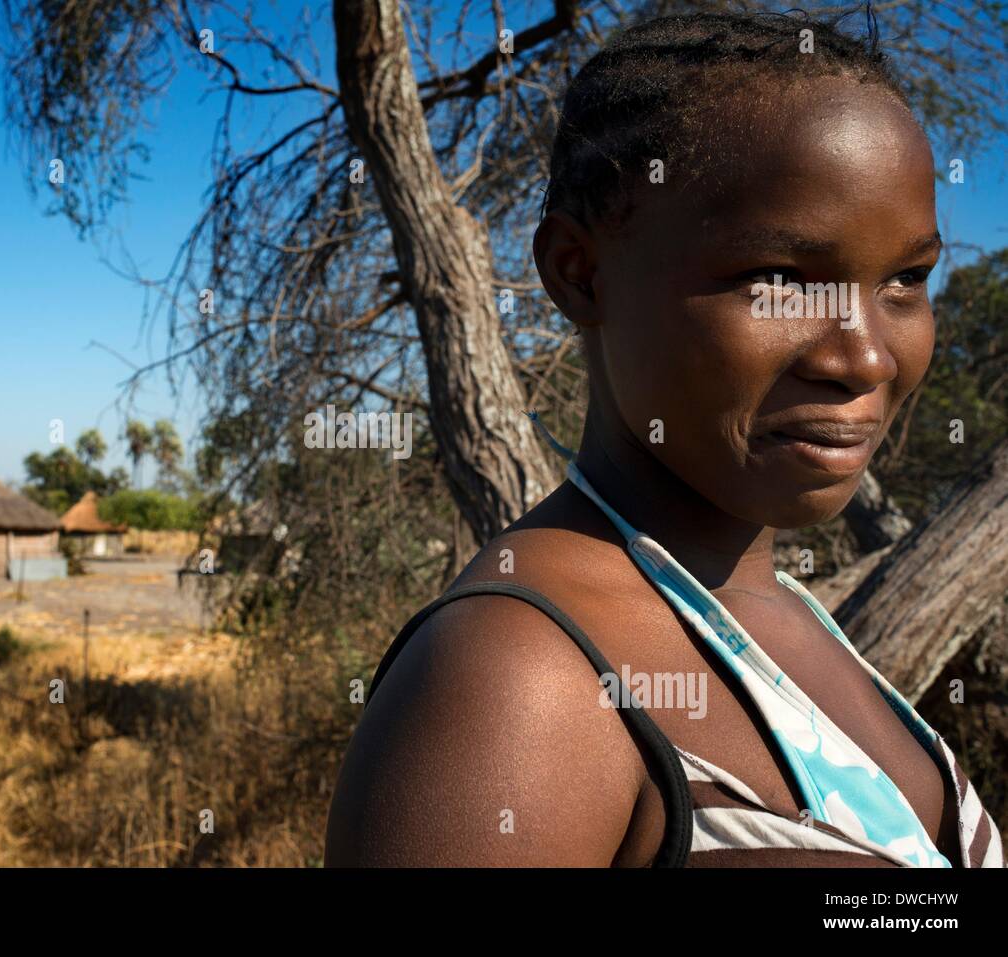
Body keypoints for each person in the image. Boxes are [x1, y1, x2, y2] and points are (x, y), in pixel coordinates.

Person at [324, 10, 1003, 868]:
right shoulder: (518, 682)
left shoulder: (785, 616)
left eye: (906, 278)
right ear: (579, 273)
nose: (864, 355)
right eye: (779, 279)